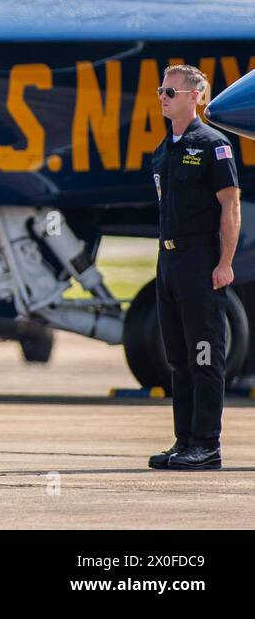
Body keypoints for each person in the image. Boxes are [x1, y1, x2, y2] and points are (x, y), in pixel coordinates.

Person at [149, 64, 241, 471]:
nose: (163, 97)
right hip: (168, 260)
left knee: (205, 355)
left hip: (200, 259)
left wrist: (224, 262)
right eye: (161, 90)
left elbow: (230, 205)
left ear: (195, 97)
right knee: (179, 356)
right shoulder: (161, 150)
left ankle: (207, 444)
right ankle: (183, 440)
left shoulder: (213, 145)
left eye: (171, 91)